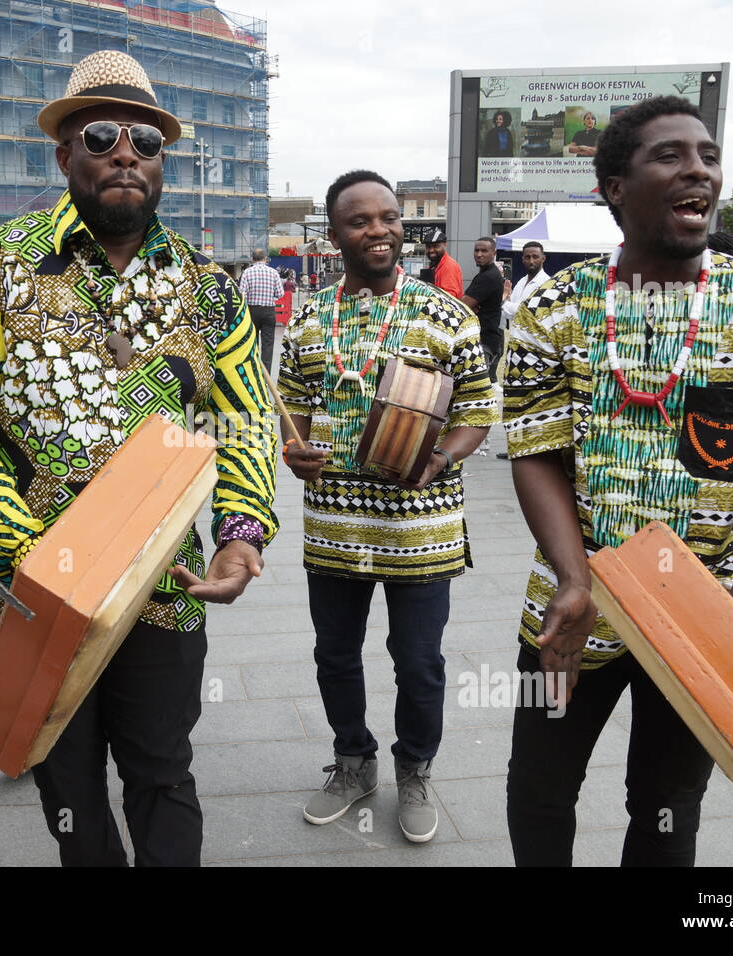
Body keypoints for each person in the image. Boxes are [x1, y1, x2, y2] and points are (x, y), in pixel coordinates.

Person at [0, 50, 278, 867]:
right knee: (65, 783)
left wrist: (241, 532)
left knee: (163, 771)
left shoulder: (207, 287)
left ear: (161, 160)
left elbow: (245, 419)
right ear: (64, 153)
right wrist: (33, 554)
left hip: (165, 577)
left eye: (145, 141)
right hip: (30, 586)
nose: (126, 154)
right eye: (103, 135)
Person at [502, 95, 733, 866]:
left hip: (704, 619)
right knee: (536, 789)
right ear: (615, 186)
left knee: (666, 808)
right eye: (671, 155)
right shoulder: (552, 306)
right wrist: (573, 578)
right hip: (563, 614)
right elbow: (536, 451)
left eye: (709, 156)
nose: (699, 170)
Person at [278, 170, 495, 843]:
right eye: (360, 221)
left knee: (419, 661)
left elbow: (478, 412)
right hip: (335, 526)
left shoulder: (446, 314)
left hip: (420, 526)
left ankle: (415, 769)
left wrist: (441, 457)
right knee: (335, 654)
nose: (380, 231)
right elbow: (294, 414)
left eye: (390, 218)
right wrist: (294, 451)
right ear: (333, 233)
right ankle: (353, 761)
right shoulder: (310, 317)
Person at [462, 236, 504, 382]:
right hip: (483, 341)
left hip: (483, 342)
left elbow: (462, 306)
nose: (479, 254)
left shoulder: (489, 277)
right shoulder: (485, 275)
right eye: (476, 250)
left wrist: (469, 307)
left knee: (476, 387)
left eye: (484, 251)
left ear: (494, 253)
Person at [238, 247, 284, 373]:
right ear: (265, 259)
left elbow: (242, 294)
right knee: (268, 344)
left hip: (252, 311)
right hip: (268, 311)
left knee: (252, 343)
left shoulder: (247, 272)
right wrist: (269, 295)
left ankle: (254, 371)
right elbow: (280, 293)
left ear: (253, 259)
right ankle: (266, 375)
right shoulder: (273, 272)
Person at [423, 228, 463, 300]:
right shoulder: (435, 265)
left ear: (445, 245)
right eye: (428, 247)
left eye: (436, 246)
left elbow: (450, 297)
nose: (431, 250)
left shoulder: (449, 266)